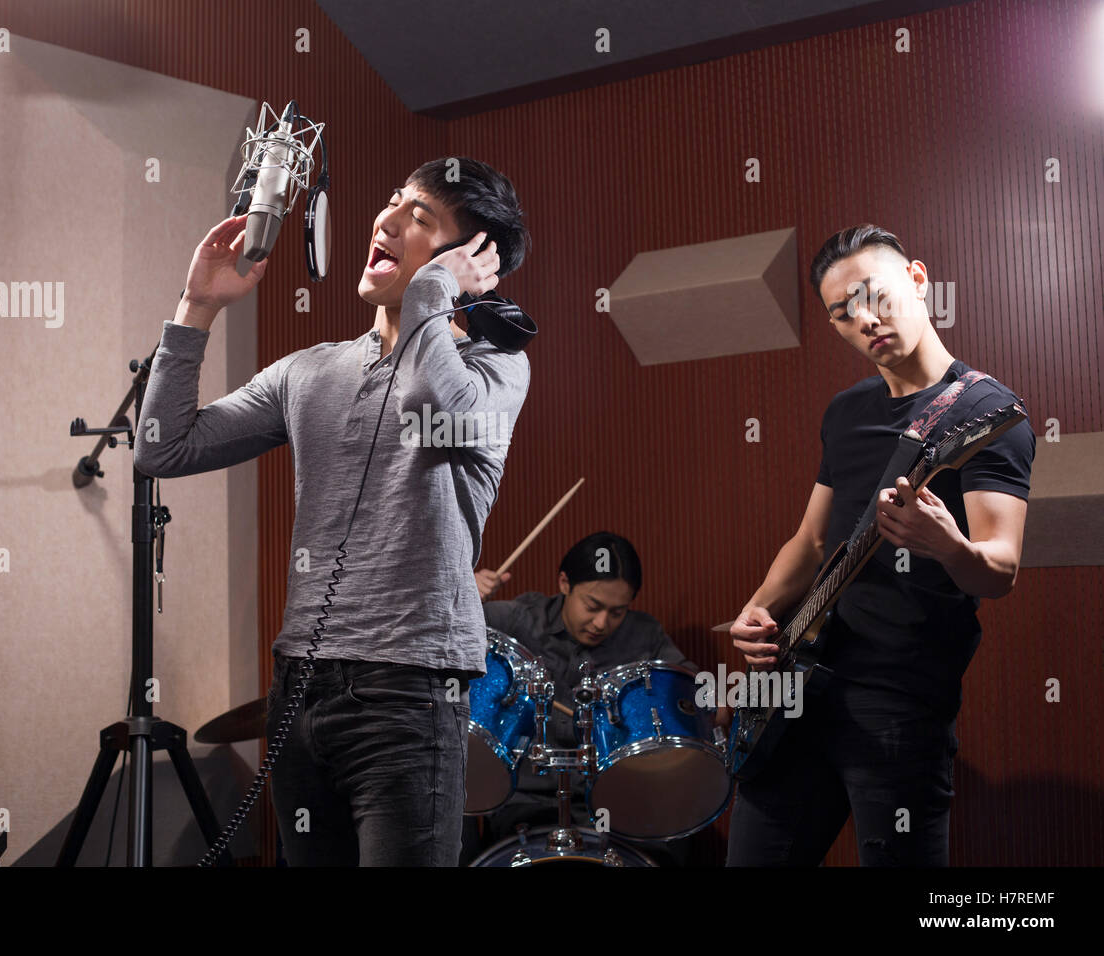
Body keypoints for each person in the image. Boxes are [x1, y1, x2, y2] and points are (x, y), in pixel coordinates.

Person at [134, 158, 532, 866]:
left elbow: (429, 405)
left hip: (409, 692)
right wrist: (198, 305)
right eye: (392, 201)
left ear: (472, 261)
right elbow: (162, 449)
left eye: (420, 218)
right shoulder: (307, 371)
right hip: (300, 693)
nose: (386, 220)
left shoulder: (496, 369)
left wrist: (434, 292)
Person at [725, 224, 1034, 867]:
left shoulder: (986, 413)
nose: (865, 320)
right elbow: (811, 540)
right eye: (843, 313)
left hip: (897, 705)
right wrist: (759, 612)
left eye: (877, 296)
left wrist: (949, 546)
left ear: (919, 280)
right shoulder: (846, 411)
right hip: (800, 684)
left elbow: (999, 569)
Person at [462, 532, 700, 864]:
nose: (602, 622)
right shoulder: (517, 620)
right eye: (593, 606)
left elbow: (692, 692)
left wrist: (707, 703)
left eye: (617, 611)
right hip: (525, 801)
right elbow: (431, 630)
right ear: (564, 583)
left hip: (616, 801)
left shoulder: (644, 635)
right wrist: (460, 597)